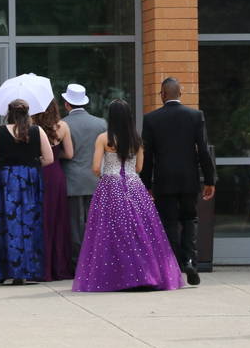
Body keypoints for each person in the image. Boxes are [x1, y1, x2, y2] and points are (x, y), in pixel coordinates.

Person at [72, 100, 184, 292]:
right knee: (141, 231)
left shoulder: (103, 138)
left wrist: (107, 175)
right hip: (134, 186)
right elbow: (139, 168)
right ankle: (147, 274)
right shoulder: (137, 140)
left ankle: (119, 278)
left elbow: (95, 167)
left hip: (111, 186)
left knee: (110, 234)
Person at [141, 77, 217, 286]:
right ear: (180, 94)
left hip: (164, 179)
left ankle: (173, 264)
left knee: (170, 223)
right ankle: (190, 259)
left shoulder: (151, 119)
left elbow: (148, 156)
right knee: (190, 218)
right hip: (188, 178)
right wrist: (210, 179)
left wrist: (146, 184)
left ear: (162, 94)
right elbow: (203, 150)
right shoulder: (195, 116)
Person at [0, 99, 55, 284]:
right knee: (30, 223)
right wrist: (31, 165)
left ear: (9, 113)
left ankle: (5, 270)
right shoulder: (37, 131)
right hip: (30, 180)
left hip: (7, 179)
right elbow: (49, 158)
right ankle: (29, 269)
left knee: (6, 224)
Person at [60, 84, 106, 269]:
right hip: (95, 178)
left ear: (66, 104)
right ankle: (96, 259)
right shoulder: (101, 123)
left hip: (71, 179)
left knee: (74, 225)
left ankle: (77, 262)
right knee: (94, 222)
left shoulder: (63, 124)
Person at [35, 99, 75, 281]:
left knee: (41, 218)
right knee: (58, 219)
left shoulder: (33, 126)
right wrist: (56, 154)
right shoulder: (62, 126)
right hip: (56, 173)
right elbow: (70, 154)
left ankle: (42, 266)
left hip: (38, 173)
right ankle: (59, 265)